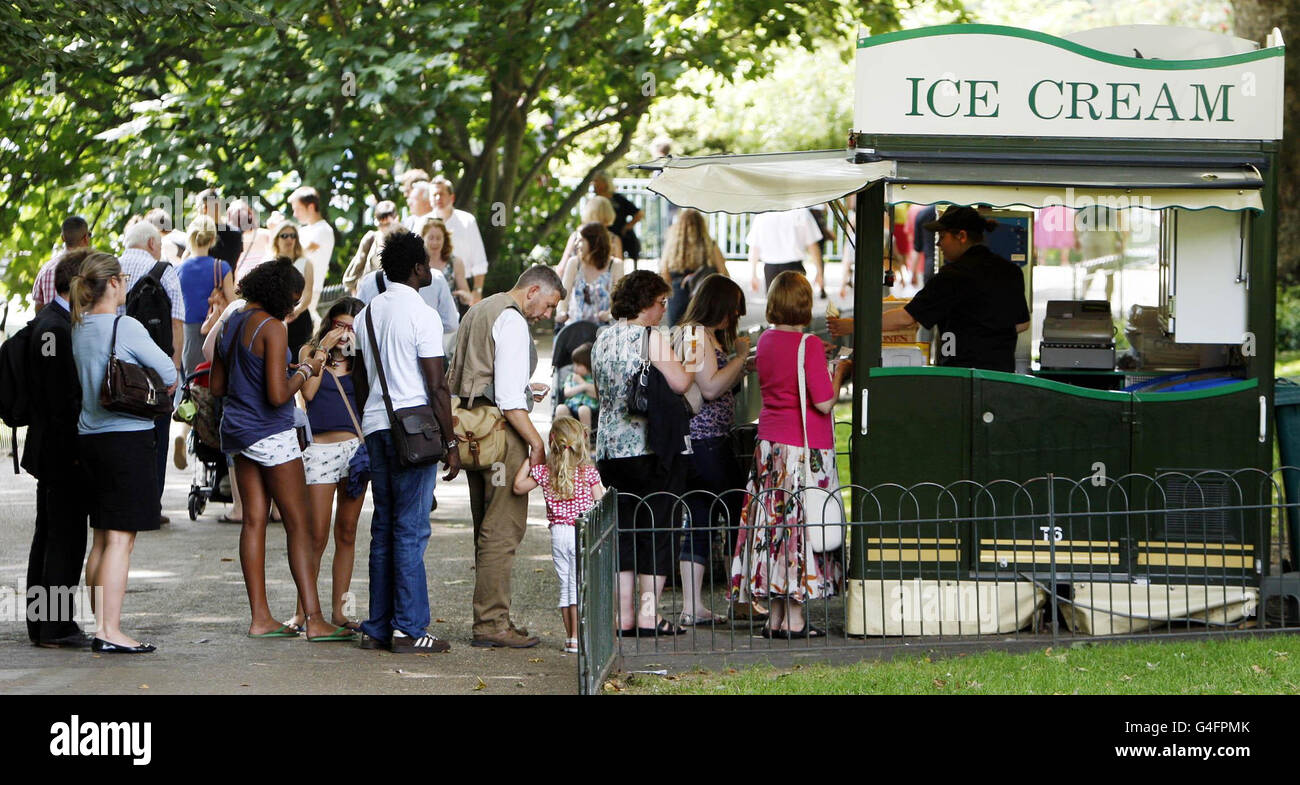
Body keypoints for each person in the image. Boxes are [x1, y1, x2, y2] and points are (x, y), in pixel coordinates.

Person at [209, 259, 354, 642]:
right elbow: (277, 395)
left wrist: (273, 370)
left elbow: (219, 386)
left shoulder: (231, 323)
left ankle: (261, 618)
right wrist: (305, 370)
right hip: (271, 433)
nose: (293, 308)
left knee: (254, 521)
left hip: (237, 432)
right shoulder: (272, 328)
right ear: (277, 293)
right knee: (300, 526)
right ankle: (316, 619)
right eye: (292, 299)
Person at [352, 231, 460, 653]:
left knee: (383, 528)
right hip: (414, 429)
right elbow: (437, 386)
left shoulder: (367, 314)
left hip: (377, 426)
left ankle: (377, 626)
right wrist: (450, 442)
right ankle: (410, 629)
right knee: (411, 531)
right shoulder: (422, 314)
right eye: (427, 262)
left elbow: (361, 378)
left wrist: (371, 415)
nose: (431, 268)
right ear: (417, 269)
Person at [448, 264, 566, 648]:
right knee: (502, 530)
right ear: (532, 290)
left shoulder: (480, 309)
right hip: (503, 435)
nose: (546, 315)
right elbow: (511, 404)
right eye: (548, 305)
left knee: (486, 525)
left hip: (472, 429)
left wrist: (521, 389)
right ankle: (491, 624)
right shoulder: (513, 321)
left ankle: (491, 616)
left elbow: (475, 377)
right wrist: (537, 444)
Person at [730, 271, 851, 639]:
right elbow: (824, 401)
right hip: (804, 449)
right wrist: (841, 368)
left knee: (773, 529)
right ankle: (796, 616)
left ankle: (775, 616)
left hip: (770, 447)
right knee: (801, 527)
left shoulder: (765, 341)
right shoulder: (810, 345)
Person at [70, 252, 179, 652]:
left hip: (91, 438)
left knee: (101, 536)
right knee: (120, 540)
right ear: (113, 283)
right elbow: (168, 373)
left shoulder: (78, 327)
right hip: (127, 440)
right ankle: (109, 630)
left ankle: (102, 624)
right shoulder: (124, 325)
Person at [591, 270, 694, 637]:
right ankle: (650, 615)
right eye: (661, 303)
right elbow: (681, 382)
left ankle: (625, 616)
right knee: (659, 529)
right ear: (645, 304)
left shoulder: (602, 338)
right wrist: (691, 362)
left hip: (609, 449)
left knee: (626, 532)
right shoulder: (651, 338)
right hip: (647, 448)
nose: (664, 310)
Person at [22, 250, 93, 648]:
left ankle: (45, 622)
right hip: (61, 450)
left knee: (51, 535)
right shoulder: (54, 327)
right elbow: (58, 396)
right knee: (62, 538)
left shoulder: (54, 322)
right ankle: (54, 625)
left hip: (53, 448)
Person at [286, 297, 369, 633]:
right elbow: (307, 394)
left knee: (347, 533)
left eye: (351, 327)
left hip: (355, 452)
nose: (345, 334)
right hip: (319, 451)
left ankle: (342, 612)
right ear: (329, 325)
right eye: (340, 325)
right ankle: (304, 613)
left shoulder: (365, 361)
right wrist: (323, 351)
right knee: (315, 535)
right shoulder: (310, 353)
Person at [673, 275, 750, 626]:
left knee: (700, 519)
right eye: (732, 310)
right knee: (735, 510)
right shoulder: (695, 335)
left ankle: (693, 606)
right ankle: (740, 596)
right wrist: (742, 359)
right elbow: (710, 387)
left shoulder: (692, 333)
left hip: (698, 442)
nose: (734, 317)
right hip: (705, 441)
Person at [879, 206, 1030, 372]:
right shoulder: (1011, 271)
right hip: (1002, 374)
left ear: (962, 236)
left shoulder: (953, 276)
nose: (938, 243)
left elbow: (907, 318)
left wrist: (854, 325)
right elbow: (1022, 323)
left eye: (942, 236)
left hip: (959, 375)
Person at [512, 416, 605, 654]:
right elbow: (600, 502)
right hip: (581, 531)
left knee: (566, 586)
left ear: (552, 442)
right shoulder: (588, 473)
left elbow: (518, 487)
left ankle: (570, 638)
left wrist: (530, 462)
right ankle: (580, 636)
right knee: (580, 585)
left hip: (558, 535)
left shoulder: (545, 473)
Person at [119, 219, 185, 523]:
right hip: (154, 370)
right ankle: (150, 508)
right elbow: (176, 323)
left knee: (120, 431)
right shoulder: (165, 271)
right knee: (156, 437)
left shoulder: (110, 268)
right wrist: (173, 369)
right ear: (151, 244)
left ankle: (121, 502)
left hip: (118, 369)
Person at [176, 215, 236, 377]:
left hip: (188, 331)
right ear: (212, 240)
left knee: (192, 378)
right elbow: (232, 304)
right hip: (218, 328)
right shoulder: (221, 267)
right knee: (217, 376)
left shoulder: (179, 269)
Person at [659, 208, 729, 327]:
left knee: (677, 336)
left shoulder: (672, 246)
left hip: (677, 295)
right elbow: (724, 275)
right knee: (700, 335)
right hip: (703, 295)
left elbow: (664, 274)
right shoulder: (710, 246)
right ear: (702, 225)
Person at [429, 176, 488, 301]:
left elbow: (479, 260)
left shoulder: (467, 221)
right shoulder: (423, 223)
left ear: (452, 197)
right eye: (434, 195)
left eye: (441, 194)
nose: (438, 198)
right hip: (430, 286)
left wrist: (477, 291)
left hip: (462, 287)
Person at [747, 207, 825, 298]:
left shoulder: (762, 214)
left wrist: (753, 274)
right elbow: (813, 245)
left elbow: (754, 247)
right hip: (795, 268)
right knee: (797, 305)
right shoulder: (802, 211)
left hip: (770, 269)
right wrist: (819, 272)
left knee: (774, 306)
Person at [556, 221, 621, 327]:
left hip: (605, 329)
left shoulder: (615, 265)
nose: (576, 244)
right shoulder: (574, 263)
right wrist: (562, 312)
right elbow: (564, 295)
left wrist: (609, 313)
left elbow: (620, 301)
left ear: (593, 242)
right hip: (576, 329)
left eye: (580, 240)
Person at [289, 186, 334, 334]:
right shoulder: (303, 230)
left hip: (310, 289)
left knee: (308, 330)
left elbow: (297, 252)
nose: (295, 214)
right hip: (297, 288)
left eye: (298, 209)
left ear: (311, 207)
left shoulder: (323, 230)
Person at [269, 222, 316, 359]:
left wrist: (297, 310)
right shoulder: (269, 263)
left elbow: (308, 293)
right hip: (276, 315)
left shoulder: (306, 262)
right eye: (284, 236)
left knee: (300, 357)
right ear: (277, 239)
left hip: (299, 317)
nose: (289, 239)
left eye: (292, 236)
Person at [555, 196, 624, 282]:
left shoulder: (576, 237)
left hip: (577, 289)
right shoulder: (614, 240)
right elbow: (620, 274)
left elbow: (561, 268)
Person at [31, 216, 93, 311]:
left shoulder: (46, 269)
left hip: (51, 324)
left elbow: (38, 307)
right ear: (85, 238)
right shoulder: (93, 268)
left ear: (62, 238)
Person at [418, 215, 473, 317]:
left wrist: (464, 296)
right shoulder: (416, 263)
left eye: (438, 238)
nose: (435, 242)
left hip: (449, 320)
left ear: (445, 239)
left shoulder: (455, 262)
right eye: (431, 238)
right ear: (423, 239)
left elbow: (467, 296)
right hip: (422, 317)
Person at [342, 200, 399, 294]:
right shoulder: (371, 238)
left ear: (397, 219)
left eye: (388, 224)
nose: (384, 228)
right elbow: (355, 270)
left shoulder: (405, 240)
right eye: (380, 224)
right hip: (371, 294)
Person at [593, 170, 642, 262]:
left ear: (605, 182)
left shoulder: (617, 199)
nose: (594, 184)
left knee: (617, 262)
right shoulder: (594, 200)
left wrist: (628, 226)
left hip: (617, 236)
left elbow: (639, 213)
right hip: (600, 237)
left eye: (597, 181)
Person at [194, 189, 243, 267]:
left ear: (204, 208)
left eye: (197, 209)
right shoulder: (236, 233)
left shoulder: (200, 234)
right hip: (229, 278)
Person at [555, 342, 597, 431]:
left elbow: (596, 394)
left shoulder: (595, 379)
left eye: (578, 365)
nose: (575, 367)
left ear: (588, 364)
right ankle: (565, 438)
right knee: (560, 408)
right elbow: (567, 393)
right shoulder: (571, 377)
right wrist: (584, 387)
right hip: (571, 407)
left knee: (583, 409)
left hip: (590, 410)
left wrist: (582, 383)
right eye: (574, 364)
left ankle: (585, 441)